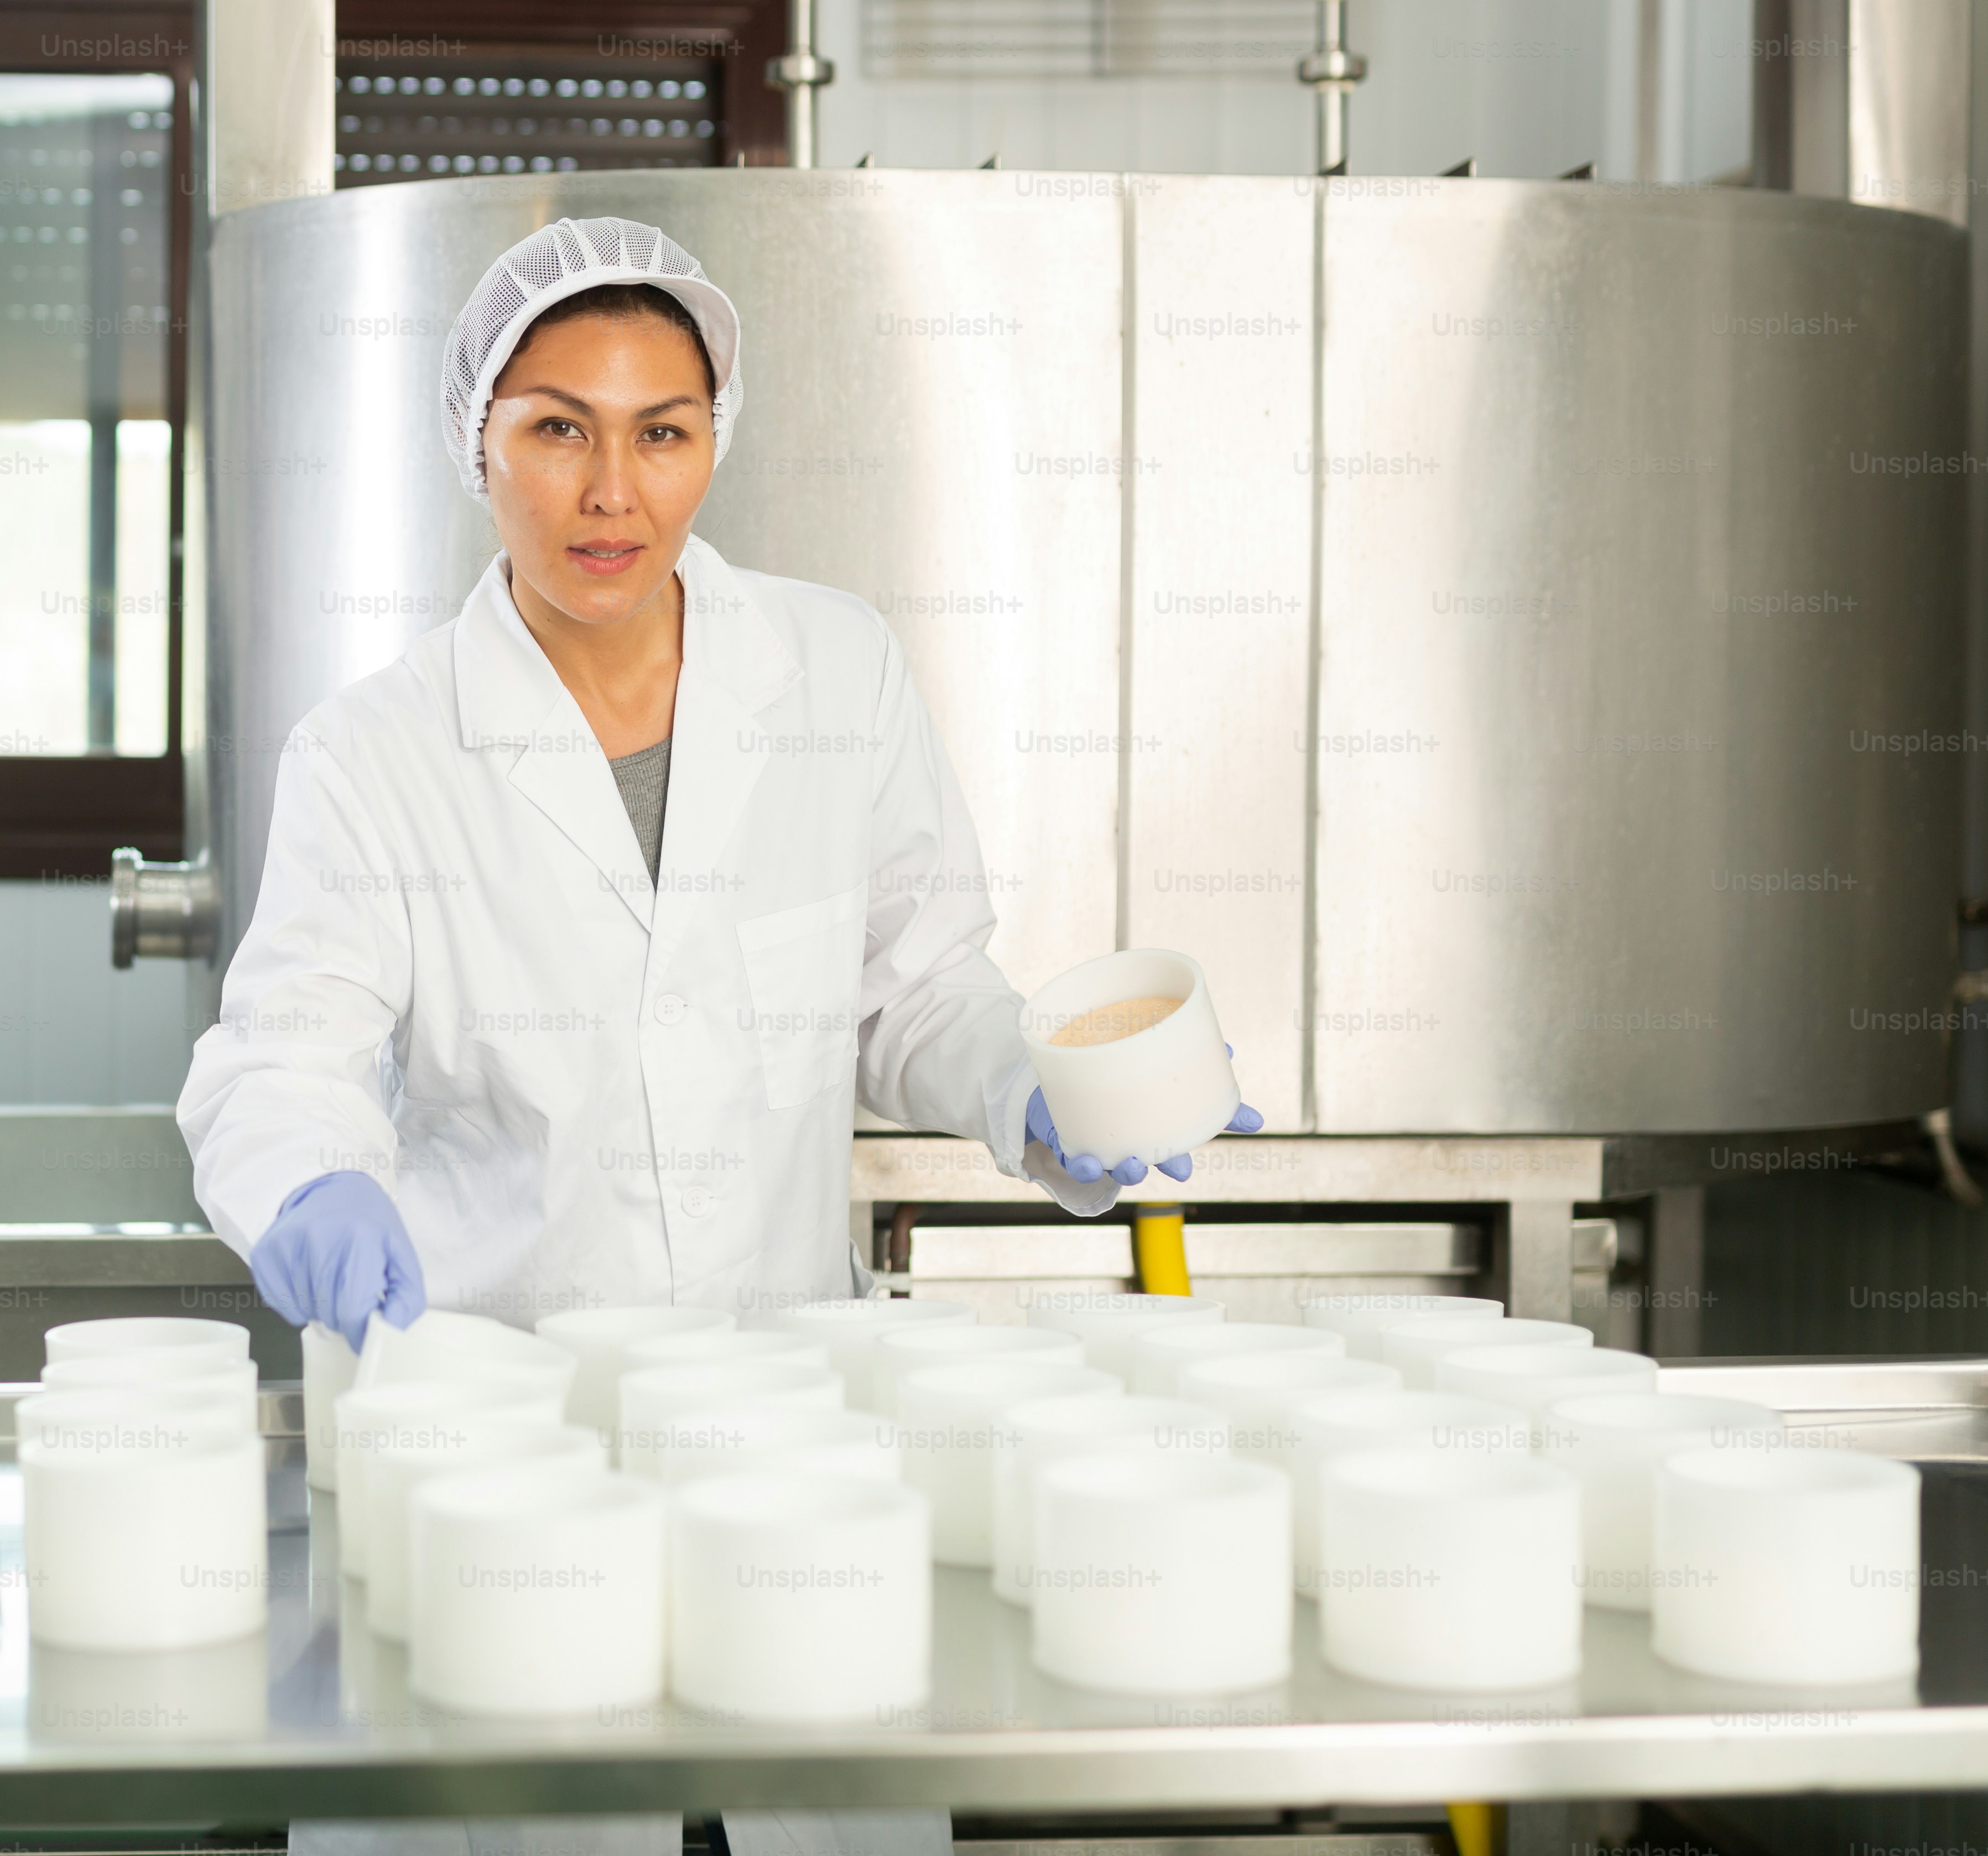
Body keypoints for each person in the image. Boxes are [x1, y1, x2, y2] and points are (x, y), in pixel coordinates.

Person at [180, 218, 1262, 1349]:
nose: (612, 491)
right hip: (507, 1408)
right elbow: (287, 1054)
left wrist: (1038, 1087)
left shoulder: (835, 673)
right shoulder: (373, 755)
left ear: (712, 438)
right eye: (558, 429)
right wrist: (312, 1181)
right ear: (475, 439)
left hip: (785, 1399)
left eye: (660, 432)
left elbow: (916, 986)